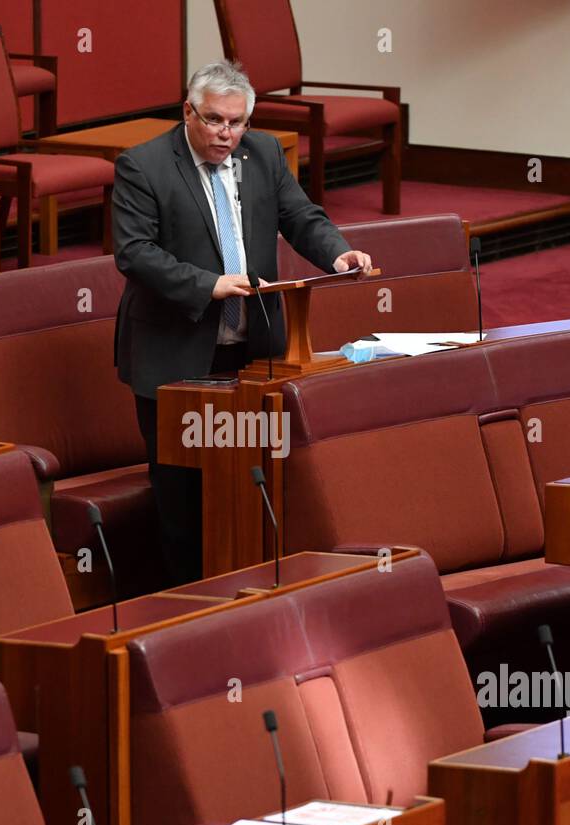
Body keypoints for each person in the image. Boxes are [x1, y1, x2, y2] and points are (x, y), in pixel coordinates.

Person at [113, 59, 373, 584]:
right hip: (177, 352)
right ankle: (186, 608)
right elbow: (135, 252)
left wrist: (338, 255)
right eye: (213, 120)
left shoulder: (264, 154)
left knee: (254, 479)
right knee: (183, 496)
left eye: (236, 123)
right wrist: (208, 285)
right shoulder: (143, 165)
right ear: (187, 111)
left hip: (253, 350)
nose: (226, 134)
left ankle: (252, 595)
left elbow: (300, 216)